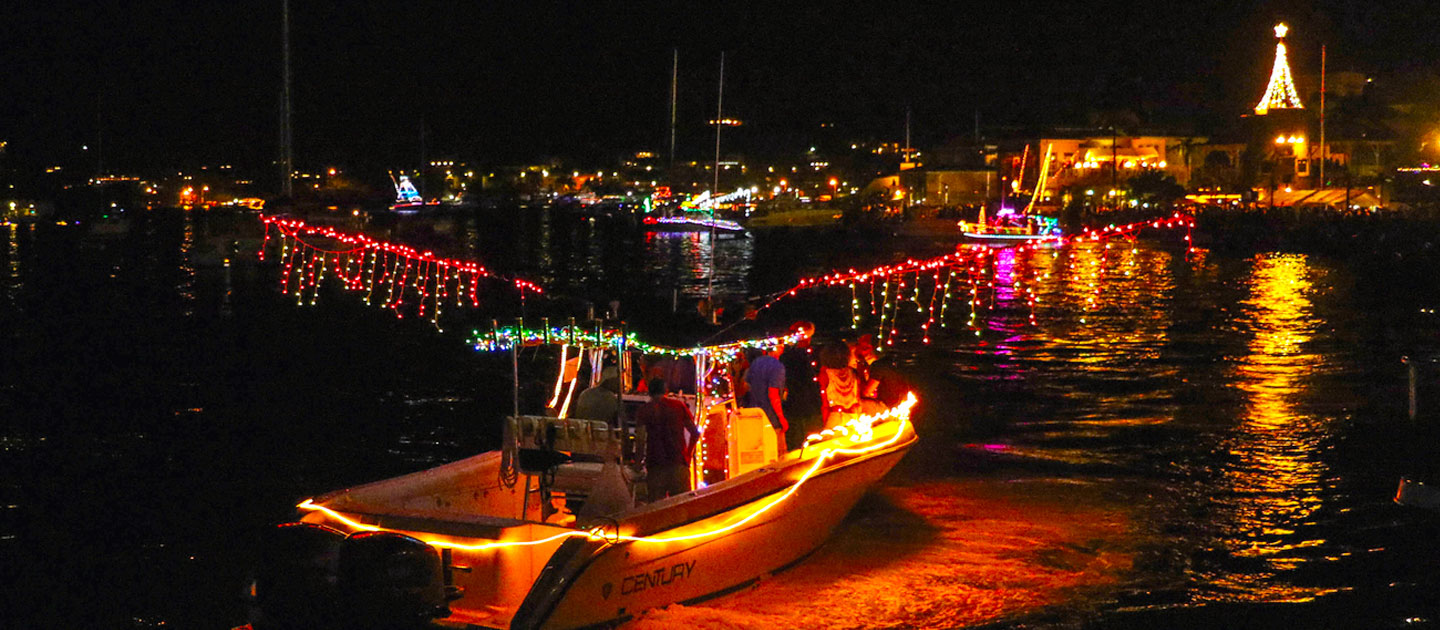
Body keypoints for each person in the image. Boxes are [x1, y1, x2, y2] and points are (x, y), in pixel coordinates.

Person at [636, 378, 699, 500]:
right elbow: (695, 433)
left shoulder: (644, 410)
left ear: (649, 392)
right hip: (678, 463)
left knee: (657, 509)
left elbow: (640, 439)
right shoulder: (678, 406)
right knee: (682, 505)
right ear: (665, 390)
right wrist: (688, 455)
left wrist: (638, 463)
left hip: (655, 465)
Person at [779, 321, 821, 450]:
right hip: (801, 401)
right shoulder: (807, 354)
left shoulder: (790, 355)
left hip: (803, 402)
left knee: (804, 436)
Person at [744, 343, 789, 452]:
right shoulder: (777, 366)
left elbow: (745, 386)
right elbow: (773, 393)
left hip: (756, 415)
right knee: (779, 454)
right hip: (772, 418)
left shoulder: (756, 362)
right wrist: (781, 418)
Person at [817, 342, 862, 429]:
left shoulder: (825, 374)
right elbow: (857, 396)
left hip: (835, 417)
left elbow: (824, 402)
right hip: (853, 415)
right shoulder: (853, 372)